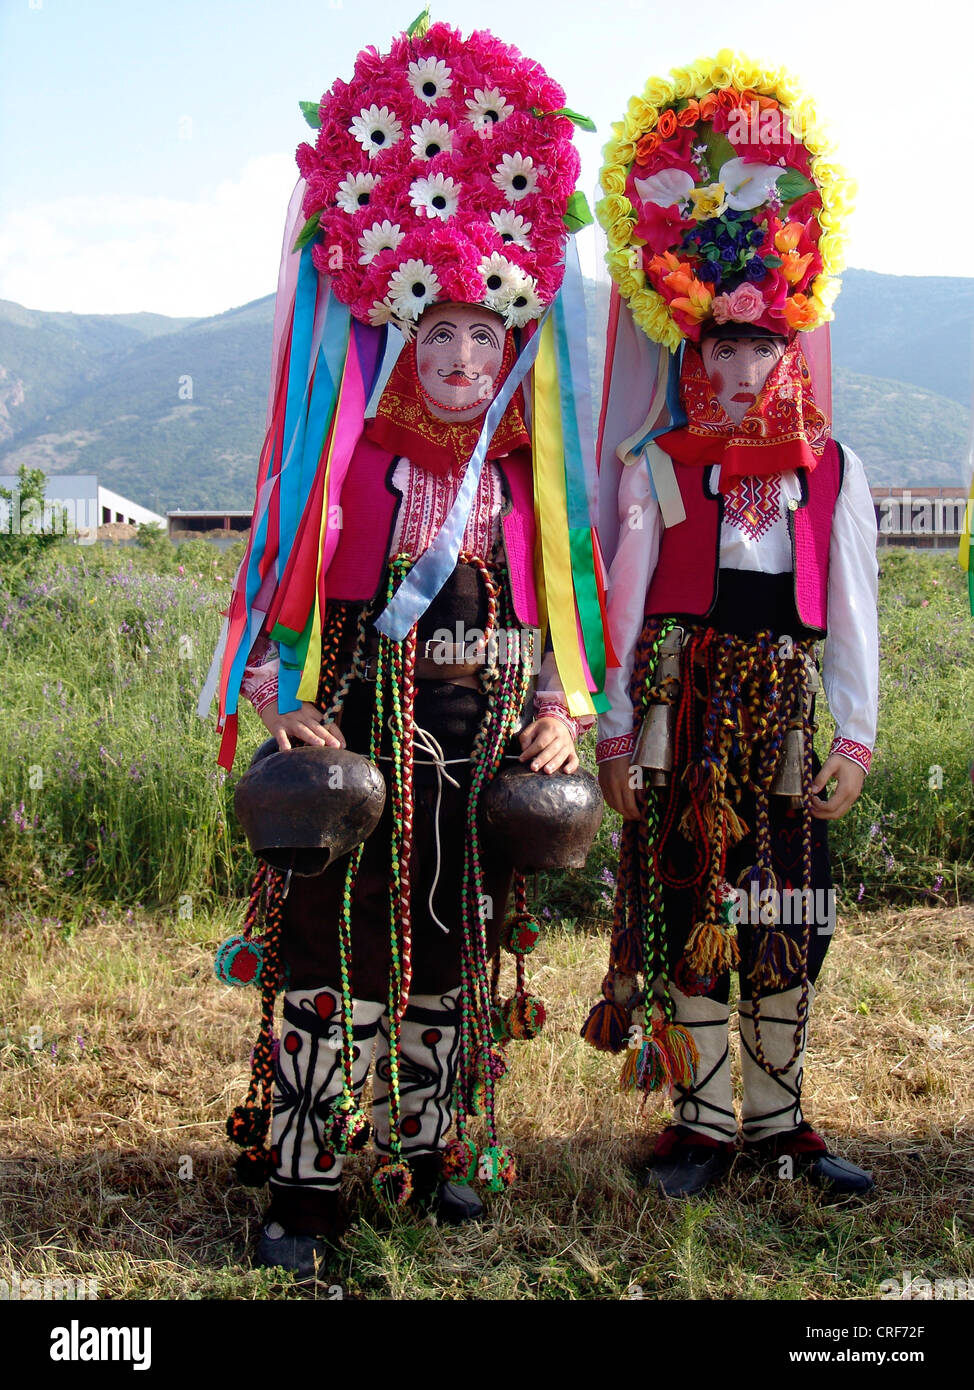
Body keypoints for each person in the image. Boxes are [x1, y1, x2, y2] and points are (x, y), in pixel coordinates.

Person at [199, 16, 608, 1274]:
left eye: (486, 340)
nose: (463, 357)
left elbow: (553, 610)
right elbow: (286, 584)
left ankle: (428, 1155)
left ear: (508, 355)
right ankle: (309, 1183)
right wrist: (281, 698)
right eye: (441, 335)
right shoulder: (350, 461)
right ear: (401, 338)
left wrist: (557, 704)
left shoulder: (524, 480)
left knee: (451, 941)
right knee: (334, 944)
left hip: (473, 752)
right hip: (367, 744)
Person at [583, 52, 879, 1199]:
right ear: (692, 353)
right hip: (685, 707)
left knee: (787, 906)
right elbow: (622, 610)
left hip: (783, 712)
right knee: (689, 898)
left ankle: (781, 1119)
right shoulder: (654, 464)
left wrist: (850, 735)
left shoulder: (830, 467)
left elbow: (849, 608)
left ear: (790, 347)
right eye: (723, 347)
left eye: (763, 346)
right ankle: (703, 1125)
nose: (746, 367)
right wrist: (614, 730)